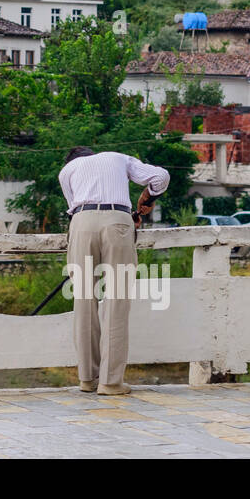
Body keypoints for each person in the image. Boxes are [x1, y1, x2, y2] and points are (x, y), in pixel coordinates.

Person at [58, 146, 170, 397]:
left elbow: (75, 208)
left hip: (81, 223)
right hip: (118, 222)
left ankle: (88, 379)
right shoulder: (118, 157)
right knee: (117, 301)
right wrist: (147, 200)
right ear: (93, 154)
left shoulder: (66, 171)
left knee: (84, 301)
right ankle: (110, 382)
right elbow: (161, 177)